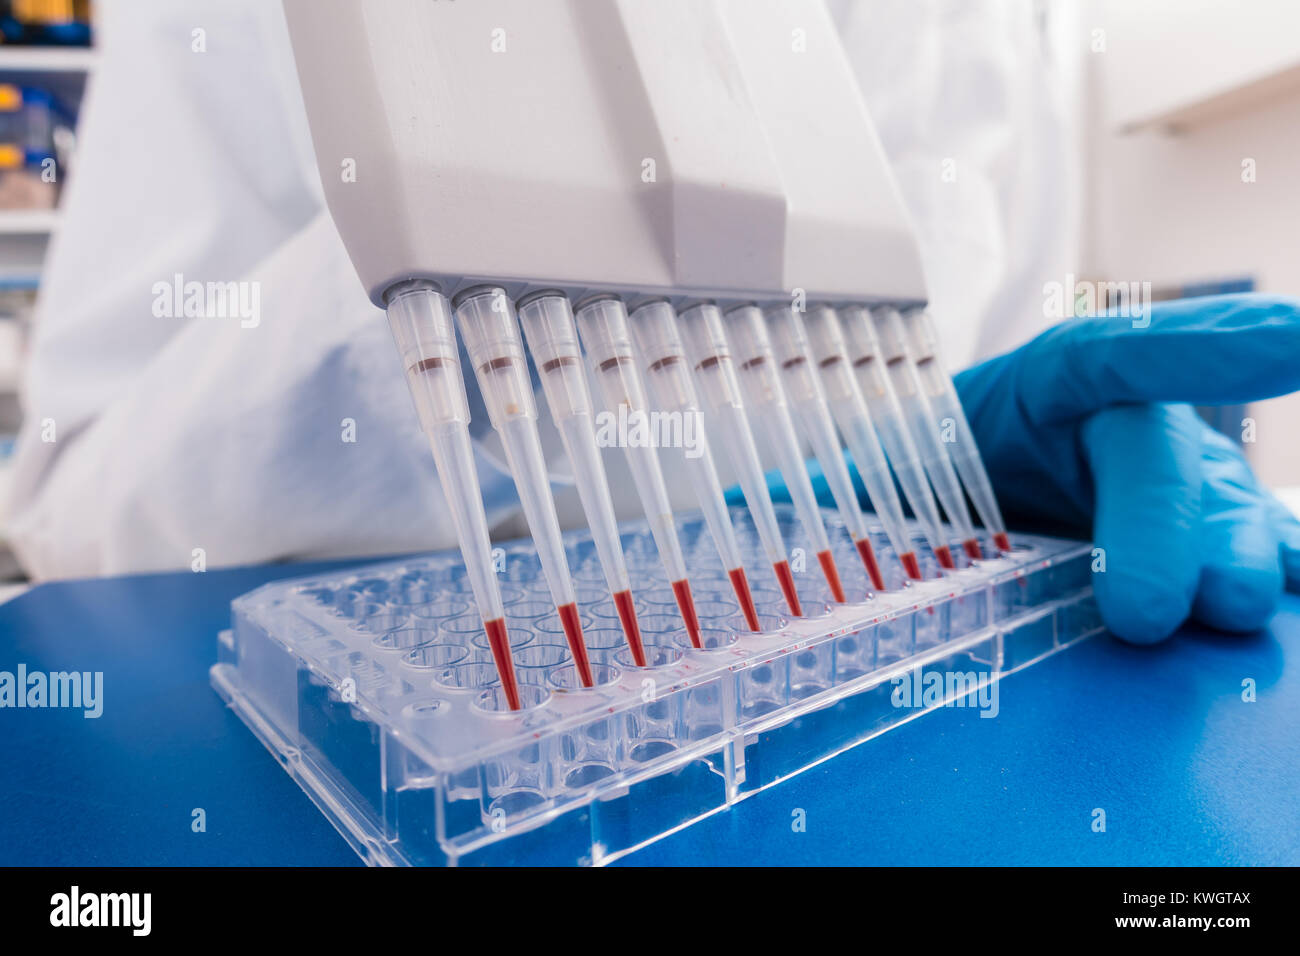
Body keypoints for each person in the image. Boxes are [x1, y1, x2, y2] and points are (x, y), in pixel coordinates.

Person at [6, 0, 1298, 648]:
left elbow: (963, 352)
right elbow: (75, 514)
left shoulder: (1018, 23)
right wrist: (443, 294)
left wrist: (984, 459)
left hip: (878, 712)